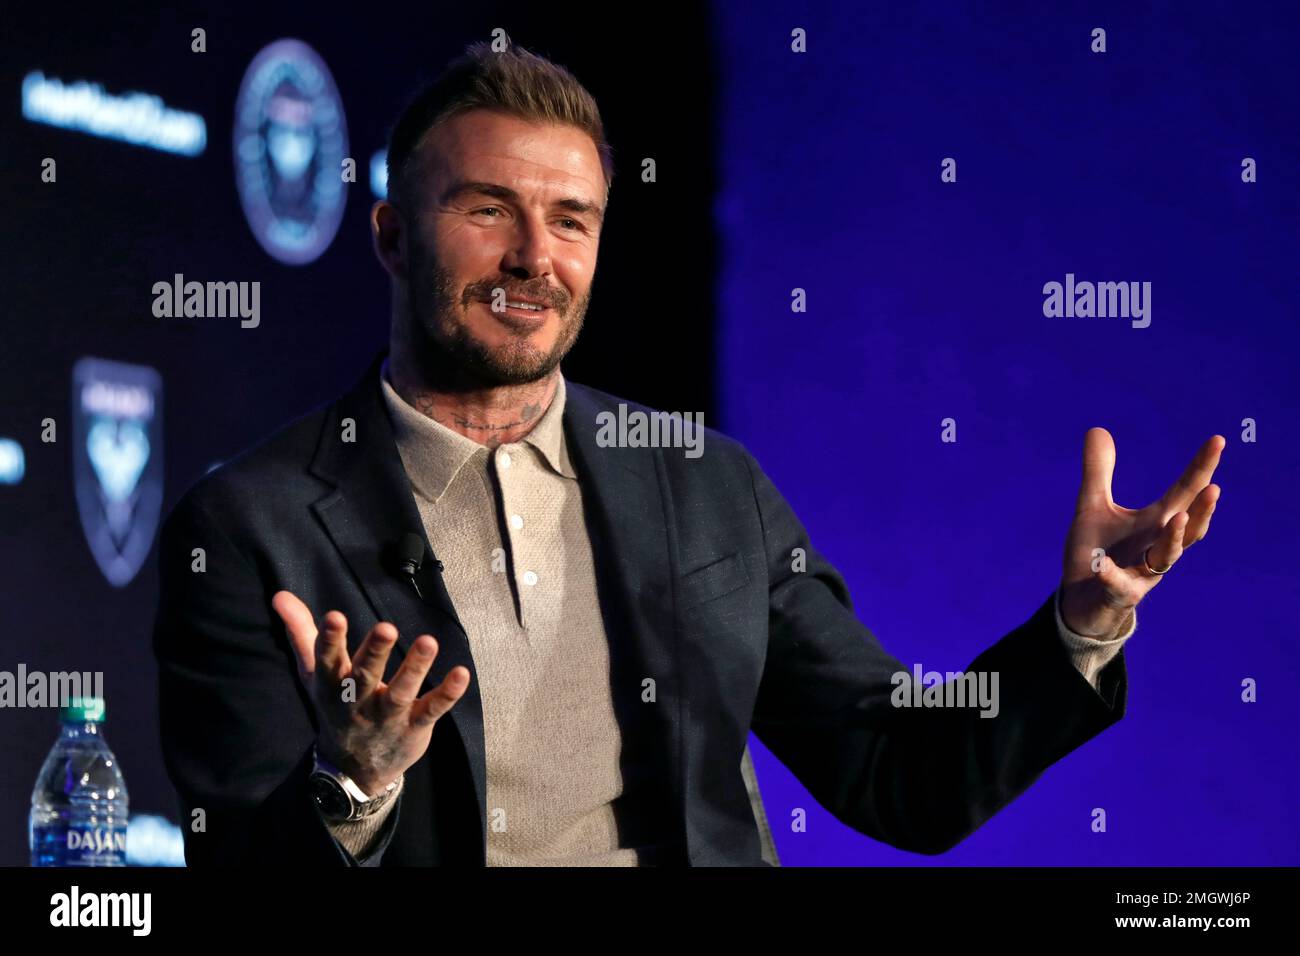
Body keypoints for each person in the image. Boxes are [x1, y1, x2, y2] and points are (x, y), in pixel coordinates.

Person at [153, 42, 1224, 867]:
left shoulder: (705, 484)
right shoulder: (252, 523)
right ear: (390, 234)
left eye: (571, 220)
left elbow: (904, 770)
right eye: (488, 210)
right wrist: (356, 781)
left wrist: (1078, 626)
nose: (535, 255)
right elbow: (236, 854)